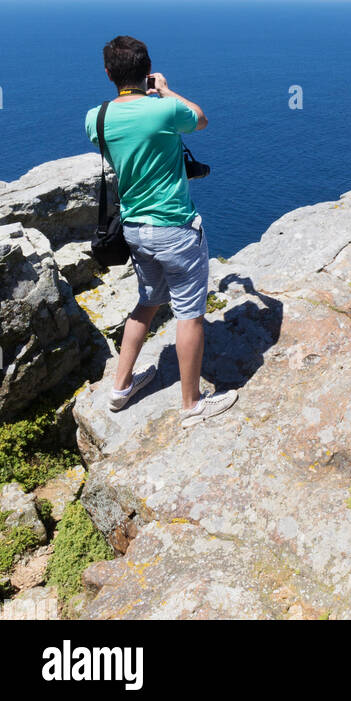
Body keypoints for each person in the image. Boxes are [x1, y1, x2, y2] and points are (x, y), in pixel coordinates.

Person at [84, 35, 237, 427]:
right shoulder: (165, 110)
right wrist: (166, 91)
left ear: (108, 74)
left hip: (134, 230)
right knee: (189, 314)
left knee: (147, 302)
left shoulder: (95, 118)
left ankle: (120, 388)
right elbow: (200, 119)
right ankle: (191, 406)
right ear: (147, 69)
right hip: (175, 228)